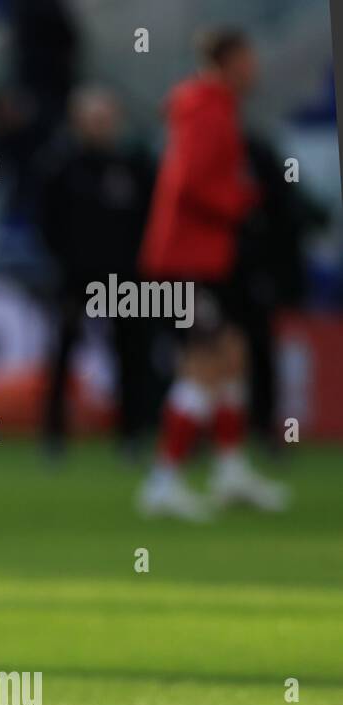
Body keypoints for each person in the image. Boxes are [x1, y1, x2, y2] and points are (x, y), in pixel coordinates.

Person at [136, 28, 287, 520]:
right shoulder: (205, 108)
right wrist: (244, 201)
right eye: (249, 59)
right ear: (228, 62)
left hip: (205, 258)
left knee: (232, 354)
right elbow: (191, 184)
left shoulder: (215, 106)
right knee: (205, 362)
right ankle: (163, 480)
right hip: (184, 261)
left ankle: (229, 468)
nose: (256, 69)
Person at [37, 87, 155, 457]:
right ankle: (54, 435)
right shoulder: (61, 167)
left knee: (131, 354)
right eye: (92, 120)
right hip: (74, 275)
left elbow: (149, 219)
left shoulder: (133, 165)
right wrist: (64, 260)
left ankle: (131, 434)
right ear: (78, 123)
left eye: (104, 119)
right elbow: (46, 222)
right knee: (63, 353)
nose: (99, 127)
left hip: (124, 276)